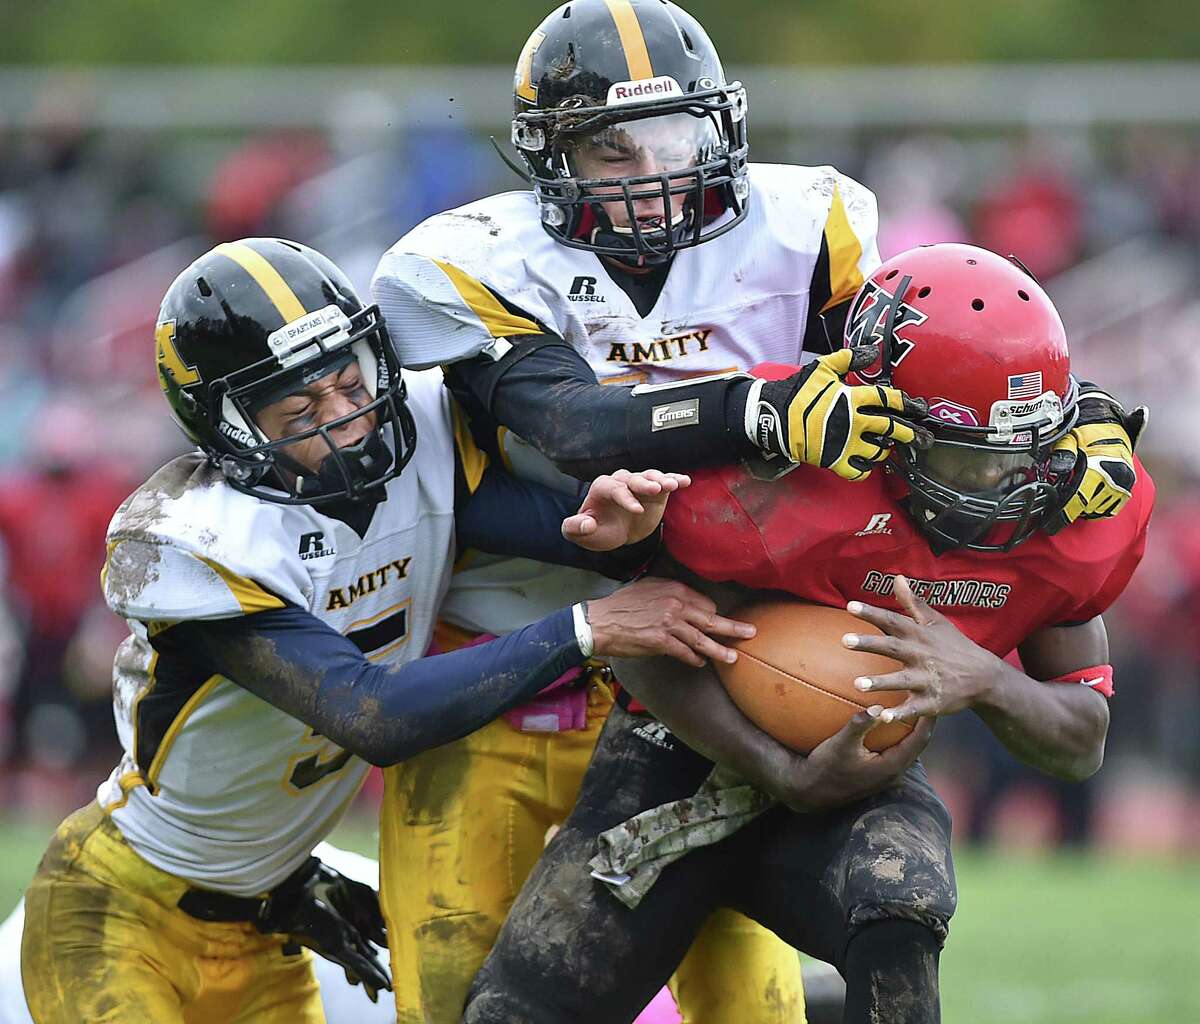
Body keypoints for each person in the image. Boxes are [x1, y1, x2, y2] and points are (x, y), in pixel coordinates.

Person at [369, 3, 1142, 1021]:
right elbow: (568, 425)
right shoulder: (473, 261)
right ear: (548, 156)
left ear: (722, 127)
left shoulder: (805, 226)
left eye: (676, 135)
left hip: (721, 659)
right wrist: (752, 410)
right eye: (611, 146)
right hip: (514, 660)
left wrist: (1056, 415)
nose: (653, 169)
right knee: (471, 998)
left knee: (753, 1002)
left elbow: (916, 356)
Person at [18, 237, 752, 1024]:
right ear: (229, 429)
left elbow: (567, 530)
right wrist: (588, 628)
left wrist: (620, 532)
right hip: (118, 915)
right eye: (301, 411)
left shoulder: (423, 442)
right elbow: (372, 714)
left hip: (271, 919)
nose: (348, 421)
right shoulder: (194, 537)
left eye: (348, 382)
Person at [459, 244, 1154, 1024]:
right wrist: (776, 768)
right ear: (888, 424)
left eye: (1023, 454)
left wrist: (988, 679)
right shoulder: (784, 479)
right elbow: (650, 640)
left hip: (864, 765)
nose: (1004, 488)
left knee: (902, 900)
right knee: (516, 1011)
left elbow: (1080, 740)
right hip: (679, 748)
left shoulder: (1071, 506)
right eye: (967, 461)